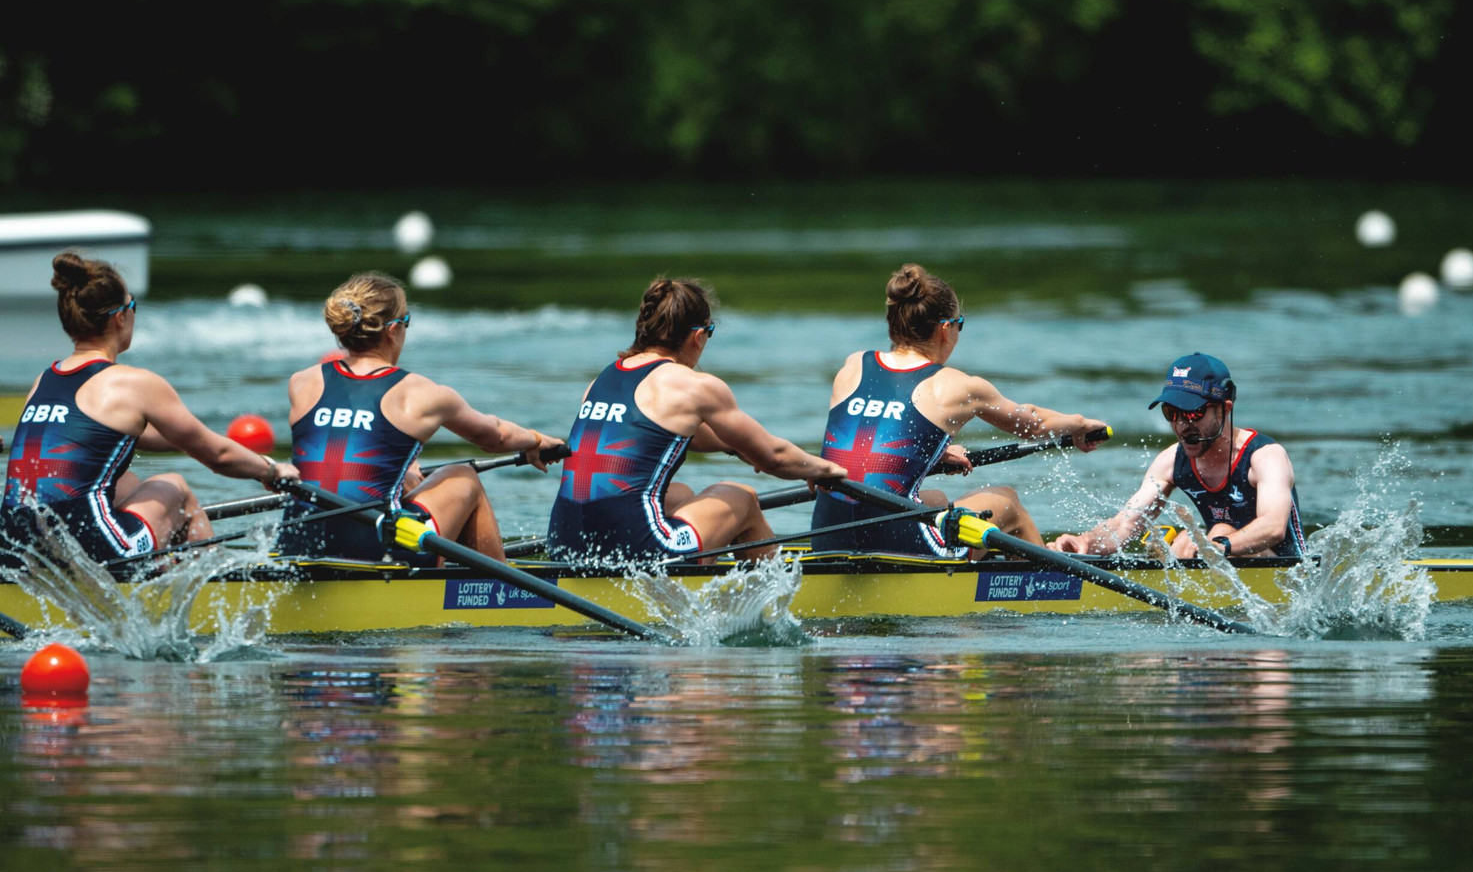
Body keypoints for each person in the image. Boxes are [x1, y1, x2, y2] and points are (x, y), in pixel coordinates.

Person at [1, 252, 301, 563]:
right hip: (90, 549)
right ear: (120, 317)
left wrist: (197, 443)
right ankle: (212, 590)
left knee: (125, 482)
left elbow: (113, 436)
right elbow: (219, 456)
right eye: (133, 306)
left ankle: (160, 570)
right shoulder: (134, 384)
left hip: (14, 548)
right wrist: (270, 469)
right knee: (176, 488)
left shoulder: (43, 380)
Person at [810, 263, 1108, 555]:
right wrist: (1080, 425)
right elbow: (1033, 424)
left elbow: (867, 445)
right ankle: (1047, 588)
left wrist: (934, 453)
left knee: (937, 499)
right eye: (959, 325)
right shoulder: (955, 386)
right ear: (944, 330)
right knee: (1009, 502)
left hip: (827, 535)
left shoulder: (853, 367)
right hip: (894, 541)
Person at [548, 277, 846, 566]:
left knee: (680, 495)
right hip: (637, 553)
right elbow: (775, 458)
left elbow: (665, 432)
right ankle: (780, 603)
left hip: (564, 542)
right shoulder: (695, 386)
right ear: (698, 335)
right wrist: (823, 468)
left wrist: (739, 447)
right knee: (741, 498)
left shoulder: (601, 381)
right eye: (709, 332)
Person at [278, 272, 563, 562]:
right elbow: (495, 436)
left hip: (297, 542)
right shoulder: (422, 394)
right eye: (407, 322)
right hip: (375, 547)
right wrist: (536, 440)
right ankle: (498, 595)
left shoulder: (302, 383)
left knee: (408, 479)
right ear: (393, 330)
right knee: (463, 477)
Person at [1048, 352, 1305, 559]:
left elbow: (1273, 526)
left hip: (1286, 573)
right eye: (1172, 413)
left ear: (1224, 408)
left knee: (1212, 533)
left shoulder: (1266, 457)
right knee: (1181, 542)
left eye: (1193, 414)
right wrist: (1083, 542)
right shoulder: (1171, 461)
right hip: (1217, 555)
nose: (1182, 425)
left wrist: (1218, 546)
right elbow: (1124, 526)